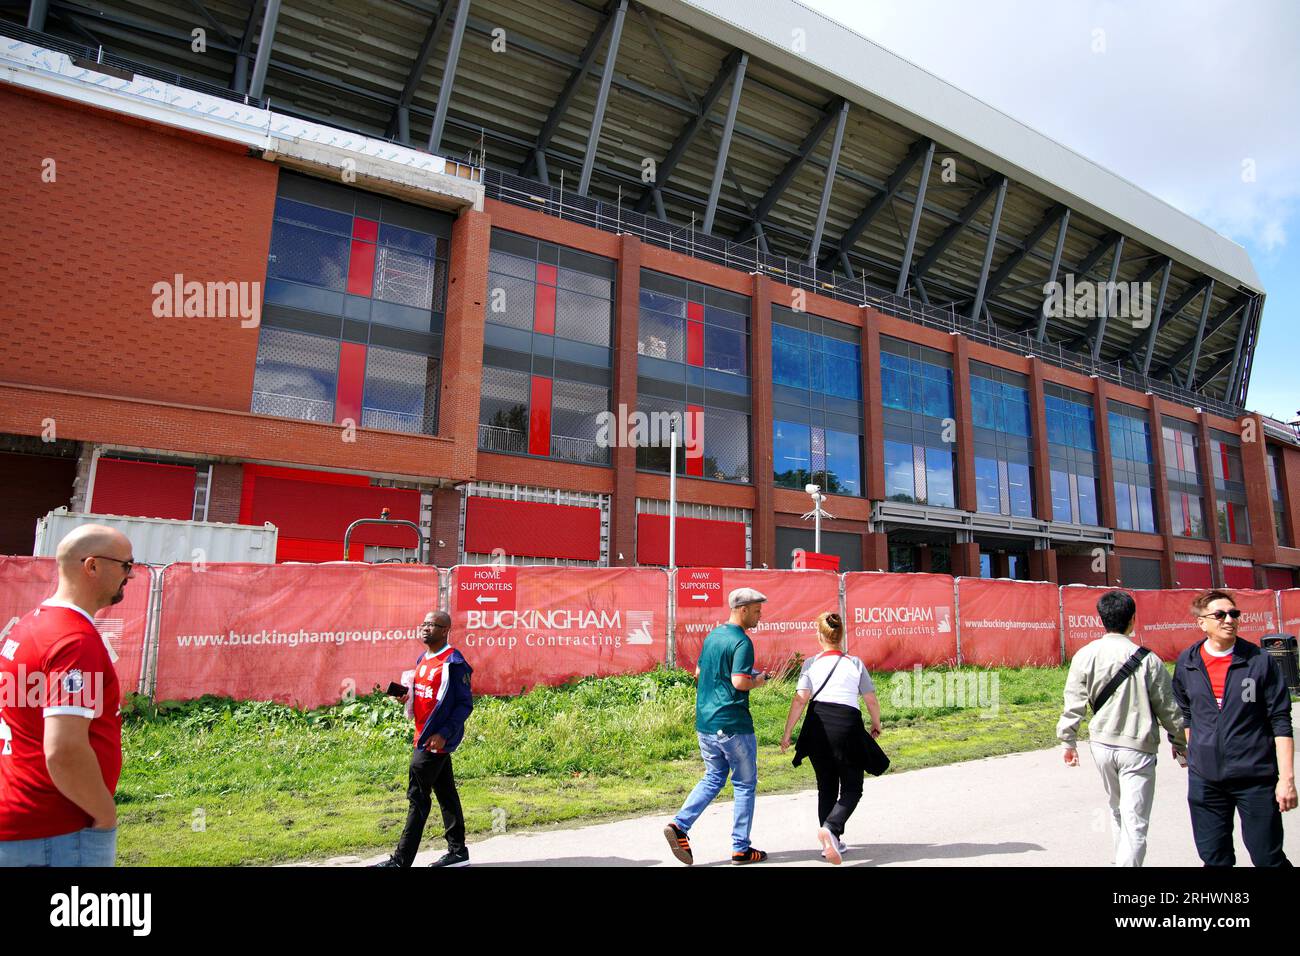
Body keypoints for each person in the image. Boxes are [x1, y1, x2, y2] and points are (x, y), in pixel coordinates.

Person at [0, 524, 135, 866]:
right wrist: (105, 814)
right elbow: (64, 748)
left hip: (23, 820)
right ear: (92, 566)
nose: (129, 576)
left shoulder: (30, 624)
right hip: (58, 831)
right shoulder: (76, 641)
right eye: (126, 565)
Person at [1056, 589, 1187, 867]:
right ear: (1133, 620)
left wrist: (1068, 742)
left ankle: (1120, 860)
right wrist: (1180, 743)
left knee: (1117, 810)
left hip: (1102, 746)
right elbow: (1168, 708)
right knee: (1136, 820)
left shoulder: (1085, 655)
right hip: (1137, 748)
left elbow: (1073, 703)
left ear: (1101, 619)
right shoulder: (1147, 659)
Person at [1172, 589, 1295, 867]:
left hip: (1254, 778)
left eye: (1234, 613)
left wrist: (1286, 779)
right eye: (1220, 614)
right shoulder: (1188, 662)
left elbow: (1281, 721)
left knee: (1268, 858)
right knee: (1215, 859)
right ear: (1202, 622)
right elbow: (1187, 713)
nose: (1229, 619)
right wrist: (1194, 755)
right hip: (1206, 782)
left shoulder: (1259, 661)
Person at [663, 587, 769, 865]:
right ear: (742, 610)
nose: (760, 616)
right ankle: (740, 848)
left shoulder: (713, 636)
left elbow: (699, 673)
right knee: (745, 784)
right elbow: (739, 682)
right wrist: (758, 680)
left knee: (713, 777)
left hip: (706, 723)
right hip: (733, 724)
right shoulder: (742, 642)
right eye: (757, 611)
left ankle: (679, 825)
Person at [373, 610, 474, 868]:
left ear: (445, 630)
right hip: (422, 735)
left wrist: (444, 734)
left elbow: (464, 704)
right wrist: (406, 696)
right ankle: (458, 852)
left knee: (417, 798)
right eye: (424, 624)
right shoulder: (424, 658)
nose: (426, 628)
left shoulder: (454, 662)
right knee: (446, 793)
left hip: (432, 742)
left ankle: (400, 860)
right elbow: (425, 694)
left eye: (433, 625)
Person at [780, 611, 881, 865]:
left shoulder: (810, 664)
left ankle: (831, 842)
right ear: (841, 635)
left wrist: (787, 733)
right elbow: (870, 698)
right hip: (847, 727)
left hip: (817, 728)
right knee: (852, 788)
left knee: (826, 785)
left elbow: (800, 698)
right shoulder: (855, 663)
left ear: (819, 636)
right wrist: (876, 722)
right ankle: (832, 829)